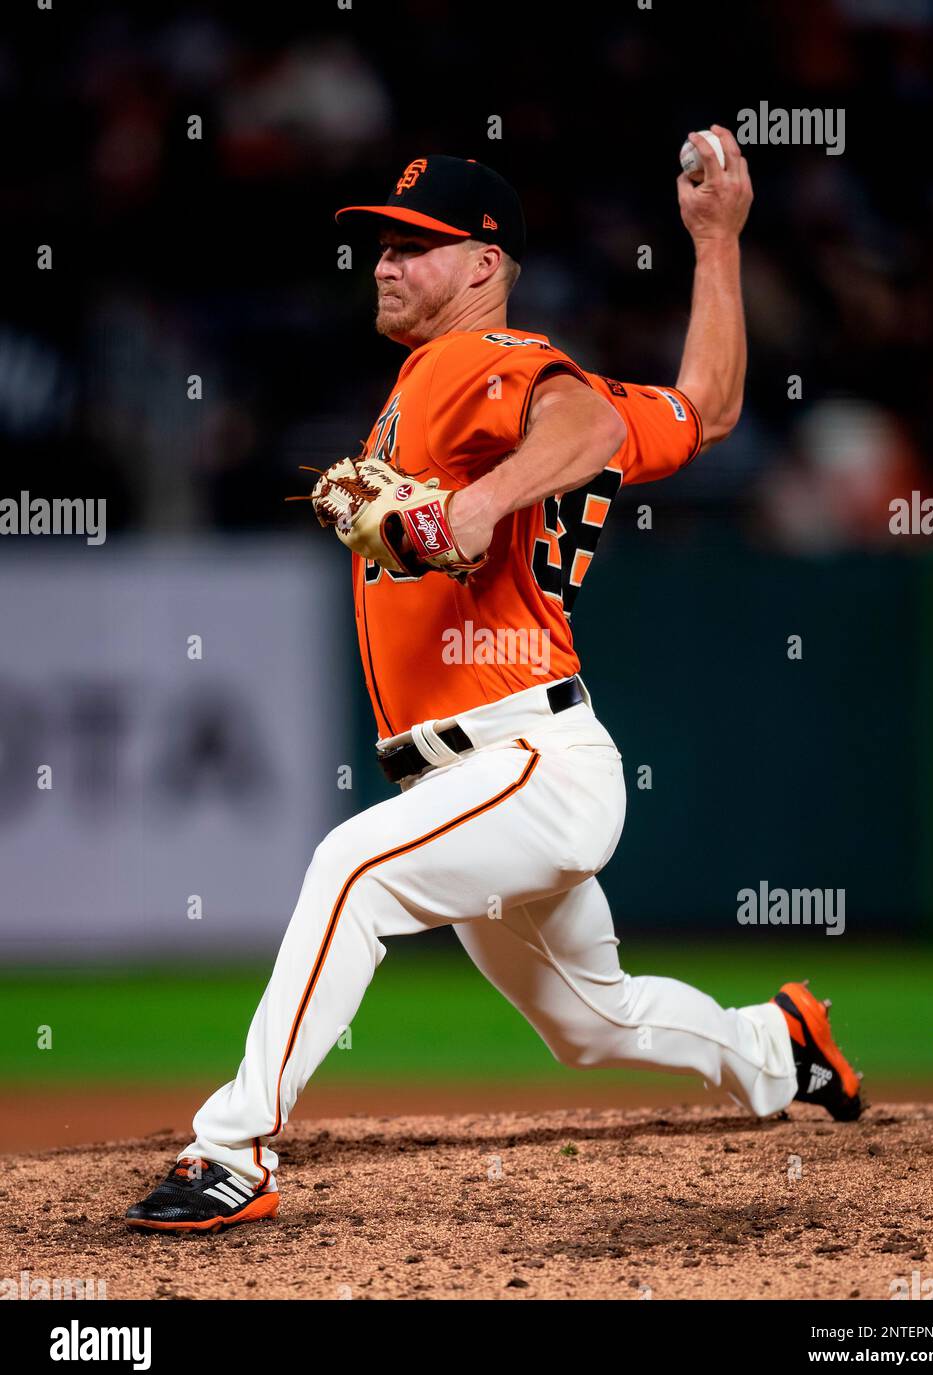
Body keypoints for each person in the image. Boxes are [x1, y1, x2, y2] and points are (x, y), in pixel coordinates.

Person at [125, 134, 861, 1233]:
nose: (383, 262)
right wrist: (716, 241)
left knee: (349, 867)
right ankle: (778, 1045)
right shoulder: (447, 381)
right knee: (592, 1024)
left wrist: (469, 510)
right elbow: (701, 406)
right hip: (488, 771)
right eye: (379, 243)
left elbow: (586, 422)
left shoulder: (480, 361)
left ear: (482, 262)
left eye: (413, 246)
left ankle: (232, 1149)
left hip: (528, 757)